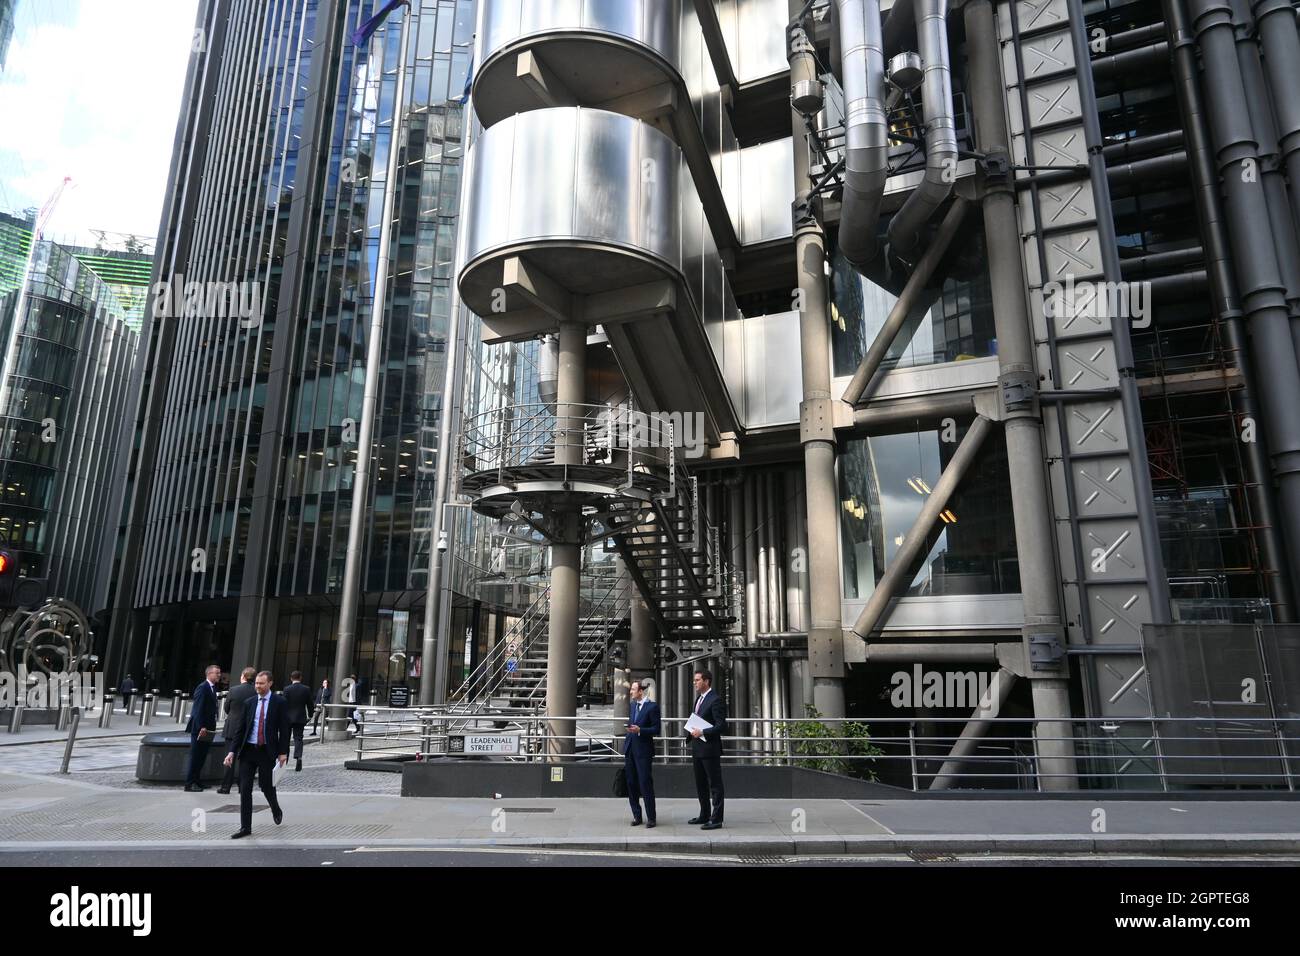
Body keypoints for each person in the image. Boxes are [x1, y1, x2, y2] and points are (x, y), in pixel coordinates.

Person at [223, 670, 289, 839]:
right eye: (257, 683)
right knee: (245, 789)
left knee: (267, 786)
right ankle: (245, 827)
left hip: (266, 751)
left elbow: (284, 729)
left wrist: (283, 752)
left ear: (270, 683)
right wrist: (232, 751)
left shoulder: (279, 702)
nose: (258, 686)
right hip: (248, 751)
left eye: (261, 683)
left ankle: (275, 807)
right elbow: (240, 729)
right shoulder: (249, 702)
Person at [685, 669, 726, 830]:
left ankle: (716, 819)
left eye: (697, 680)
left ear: (707, 681)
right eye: (694, 680)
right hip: (697, 748)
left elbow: (721, 725)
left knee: (715, 785)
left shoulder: (715, 700)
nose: (694, 683)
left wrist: (703, 731)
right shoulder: (699, 699)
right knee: (700, 783)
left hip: (710, 749)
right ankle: (704, 814)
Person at [624, 679, 660, 828]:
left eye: (633, 689)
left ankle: (651, 817)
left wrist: (640, 731)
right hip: (630, 749)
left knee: (645, 783)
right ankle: (637, 816)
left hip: (644, 752)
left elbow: (656, 729)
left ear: (640, 691)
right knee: (631, 784)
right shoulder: (632, 706)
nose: (631, 692)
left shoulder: (652, 707)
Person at [217, 668, 257, 794]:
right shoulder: (256, 691)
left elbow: (227, 708)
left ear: (243, 676)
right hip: (248, 729)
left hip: (232, 727)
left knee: (229, 758)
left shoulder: (234, 690)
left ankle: (225, 786)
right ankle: (242, 786)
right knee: (244, 760)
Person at [183, 665, 222, 793]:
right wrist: (201, 727)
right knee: (196, 756)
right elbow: (198, 709)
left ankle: (197, 781)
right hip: (200, 728)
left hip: (208, 728)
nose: (219, 675)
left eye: (219, 673)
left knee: (202, 756)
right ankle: (189, 783)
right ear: (209, 673)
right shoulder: (202, 687)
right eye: (217, 673)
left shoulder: (212, 688)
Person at [282, 671, 313, 772]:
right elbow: (310, 703)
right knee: (298, 738)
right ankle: (298, 758)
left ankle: (284, 760)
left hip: (287, 718)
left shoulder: (286, 689)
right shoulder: (306, 689)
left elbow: (283, 703)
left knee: (286, 739)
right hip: (300, 717)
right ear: (300, 678)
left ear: (291, 678)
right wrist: (311, 715)